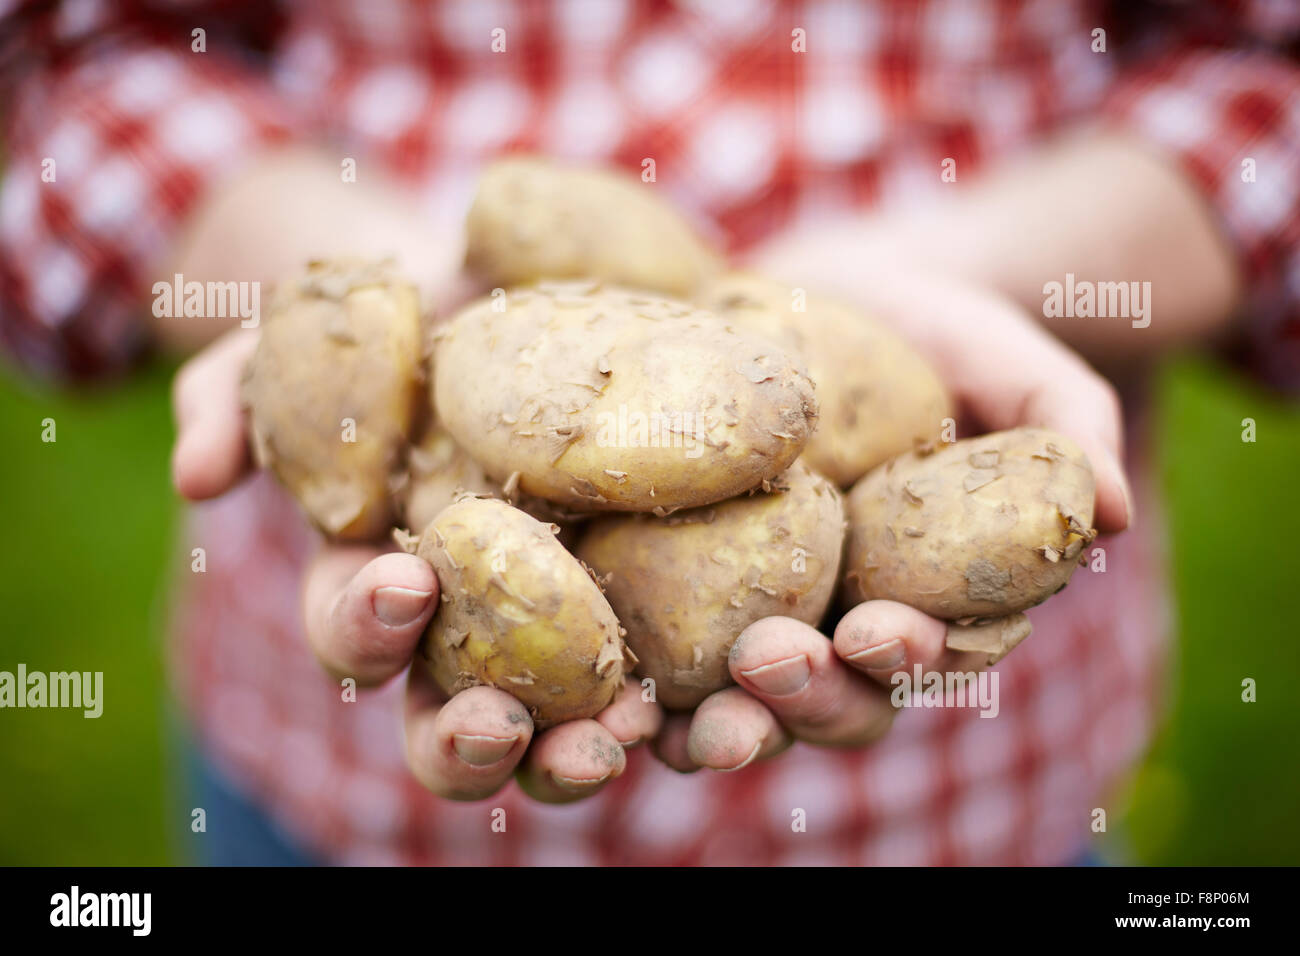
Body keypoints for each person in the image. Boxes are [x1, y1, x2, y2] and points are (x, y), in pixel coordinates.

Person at [2, 0, 1295, 865]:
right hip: (327, 796)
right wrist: (330, 284)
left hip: (980, 810)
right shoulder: (462, 413)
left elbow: (1267, 77)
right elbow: (74, 57)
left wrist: (984, 262)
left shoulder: (810, 419)